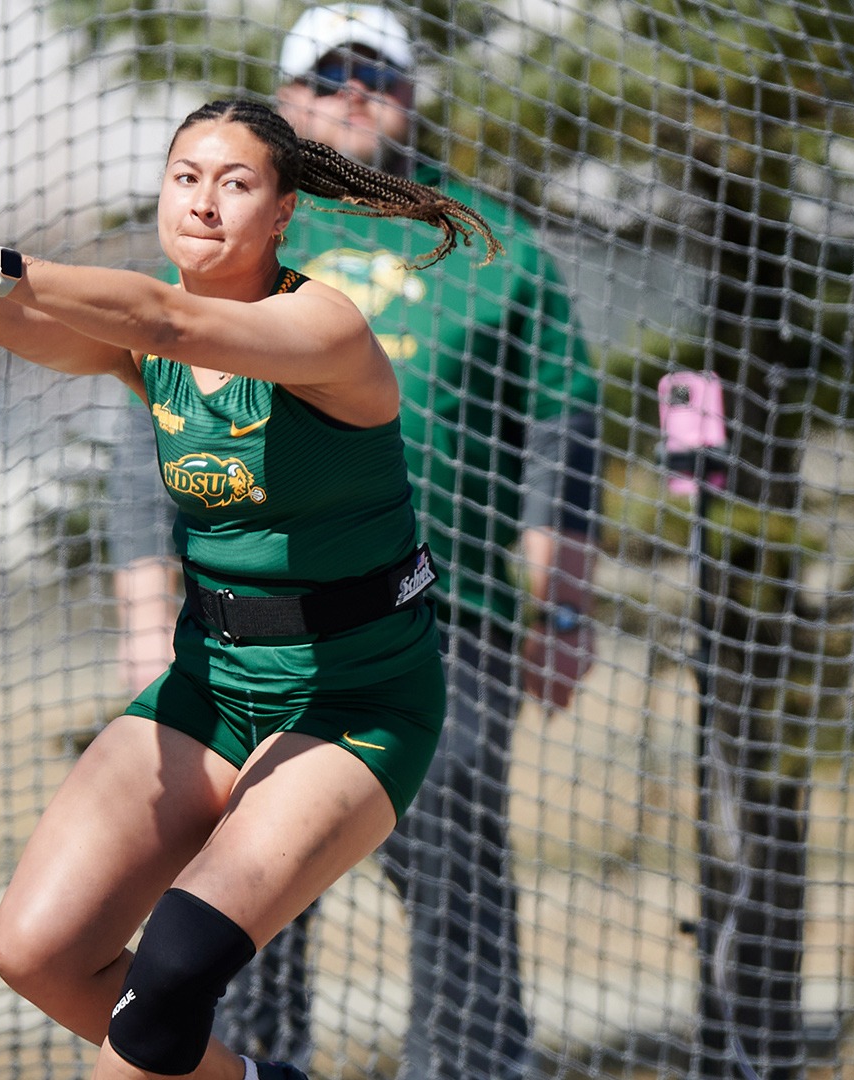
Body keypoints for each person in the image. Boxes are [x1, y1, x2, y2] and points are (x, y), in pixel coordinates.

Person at [0, 98, 499, 1080]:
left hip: (354, 700)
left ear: (282, 213)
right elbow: (23, 326)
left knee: (171, 974)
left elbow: (167, 317)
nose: (203, 203)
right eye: (185, 178)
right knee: (38, 953)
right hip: (212, 681)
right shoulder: (148, 338)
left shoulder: (321, 323)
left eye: (235, 184)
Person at [109, 6, 604, 1079]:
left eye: (375, 73)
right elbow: (152, 423)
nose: (351, 93)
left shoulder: (490, 245)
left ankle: (470, 1067)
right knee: (249, 877)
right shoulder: (251, 230)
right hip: (256, 630)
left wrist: (563, 609)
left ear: (412, 92)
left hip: (444, 624)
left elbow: (562, 437)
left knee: (453, 860)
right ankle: (250, 1064)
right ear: (288, 100)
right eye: (326, 74)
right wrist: (146, 619)